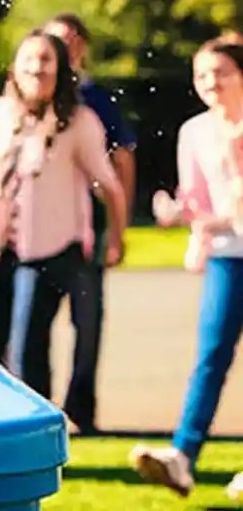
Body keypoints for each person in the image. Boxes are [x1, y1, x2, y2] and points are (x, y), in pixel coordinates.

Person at [0, 29, 127, 403]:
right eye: (29, 59)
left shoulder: (78, 122)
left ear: (61, 70)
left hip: (47, 251)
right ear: (14, 69)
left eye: (46, 60)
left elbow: (109, 185)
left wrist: (114, 237)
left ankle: (34, 437)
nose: (37, 68)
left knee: (27, 350)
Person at [129, 34, 243, 499]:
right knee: (211, 356)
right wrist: (177, 213)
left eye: (221, 72)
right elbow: (195, 200)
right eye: (201, 74)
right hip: (227, 256)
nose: (210, 82)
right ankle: (182, 458)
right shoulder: (194, 132)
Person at [44, 12, 136, 435]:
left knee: (88, 320)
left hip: (88, 228)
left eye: (68, 41)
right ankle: (38, 410)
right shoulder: (30, 94)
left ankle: (81, 411)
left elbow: (121, 160)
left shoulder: (96, 100)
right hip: (37, 231)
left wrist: (119, 230)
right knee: (30, 326)